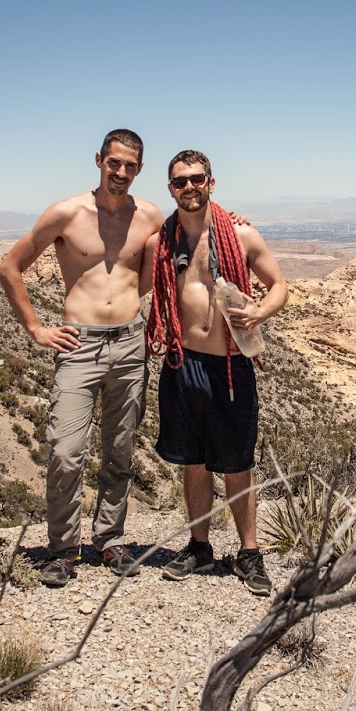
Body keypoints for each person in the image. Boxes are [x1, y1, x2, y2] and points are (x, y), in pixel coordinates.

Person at [0, 129, 163, 587]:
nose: (121, 172)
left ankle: (109, 539)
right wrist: (36, 328)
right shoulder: (67, 213)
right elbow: (9, 267)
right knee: (67, 452)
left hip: (130, 342)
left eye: (130, 166)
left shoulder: (149, 215)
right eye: (114, 163)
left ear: (140, 169)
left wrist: (233, 220)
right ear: (99, 160)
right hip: (79, 345)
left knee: (120, 449)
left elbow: (188, 238)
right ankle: (63, 549)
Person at [145, 150, 288, 596]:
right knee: (194, 460)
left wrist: (260, 313)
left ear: (212, 182)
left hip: (230, 364)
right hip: (182, 361)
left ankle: (249, 553)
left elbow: (279, 285)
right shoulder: (160, 243)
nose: (189, 187)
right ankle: (199, 545)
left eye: (197, 178)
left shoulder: (240, 234)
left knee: (238, 462)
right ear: (170, 189)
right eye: (180, 181)